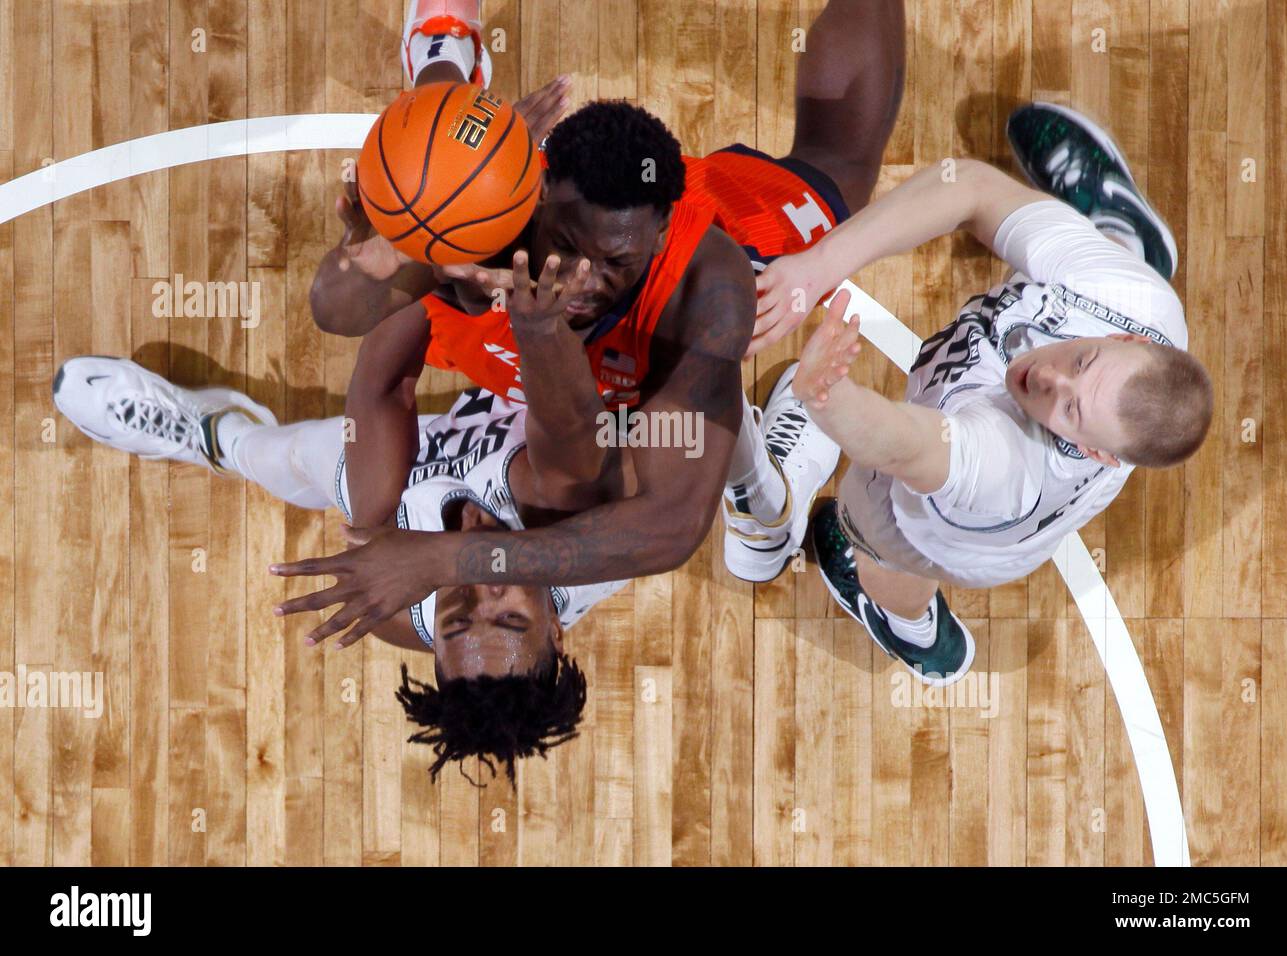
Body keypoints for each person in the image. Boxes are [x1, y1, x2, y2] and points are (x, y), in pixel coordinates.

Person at [273, 0, 907, 643]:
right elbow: (336, 307)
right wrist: (396, 244)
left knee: (841, 173)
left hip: (608, 354)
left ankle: (447, 78)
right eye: (568, 248)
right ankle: (449, 83)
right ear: (538, 200)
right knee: (439, 184)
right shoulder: (494, 225)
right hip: (537, 337)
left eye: (613, 263)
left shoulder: (707, 287)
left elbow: (670, 521)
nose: (582, 278)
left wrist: (439, 558)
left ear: (665, 232)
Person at [50, 326, 628, 784]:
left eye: (455, 620)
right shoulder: (573, 510)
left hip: (439, 449)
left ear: (434, 642)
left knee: (306, 458)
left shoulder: (402, 615)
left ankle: (215, 435)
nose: (478, 590)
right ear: (554, 626)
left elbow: (385, 373)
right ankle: (727, 486)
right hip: (573, 405)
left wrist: (420, 247)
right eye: (508, 616)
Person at [764, 103, 1213, 686]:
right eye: (1082, 359)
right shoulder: (1146, 309)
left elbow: (898, 446)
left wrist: (824, 393)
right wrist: (817, 266)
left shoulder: (1005, 468)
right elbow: (971, 188)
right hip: (1119, 313)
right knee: (1122, 276)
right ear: (1124, 335)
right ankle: (1123, 234)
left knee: (870, 529)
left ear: (1099, 453)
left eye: (1070, 408)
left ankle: (912, 630)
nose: (1048, 378)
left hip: (949, 529)